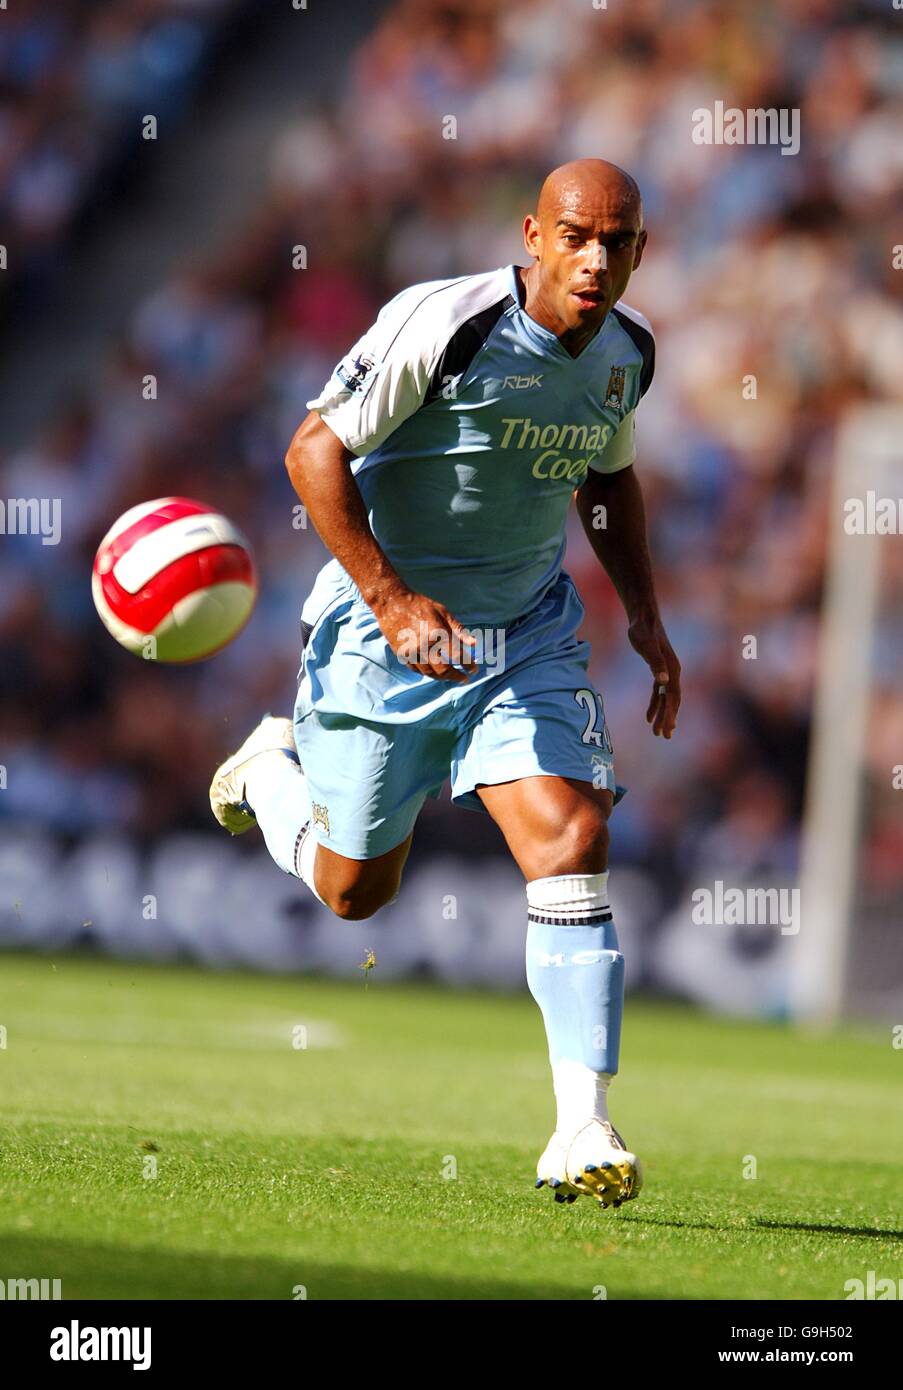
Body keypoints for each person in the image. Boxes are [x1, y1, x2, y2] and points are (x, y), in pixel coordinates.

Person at [210, 158, 681, 1208]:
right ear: (533, 234)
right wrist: (389, 601)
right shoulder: (447, 322)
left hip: (525, 632)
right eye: (576, 235)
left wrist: (646, 618)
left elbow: (607, 478)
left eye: (618, 241)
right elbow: (313, 449)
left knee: (572, 835)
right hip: (388, 636)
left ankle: (581, 1126)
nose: (596, 258)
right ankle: (267, 771)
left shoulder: (629, 352)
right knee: (353, 892)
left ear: (642, 250)